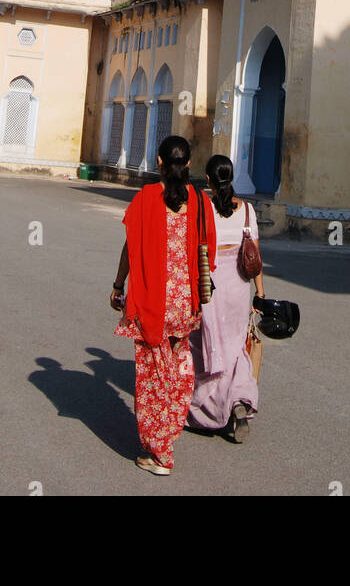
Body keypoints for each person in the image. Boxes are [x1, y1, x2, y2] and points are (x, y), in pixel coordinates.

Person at [111, 135, 216, 475]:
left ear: (158, 162)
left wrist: (118, 285)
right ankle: (170, 428)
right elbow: (209, 253)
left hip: (153, 301)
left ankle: (160, 453)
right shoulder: (199, 201)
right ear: (188, 164)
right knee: (177, 364)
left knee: (153, 375)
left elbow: (131, 247)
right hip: (185, 303)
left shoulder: (145, 198)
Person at [188, 154, 265, 443]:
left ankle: (207, 411)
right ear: (231, 177)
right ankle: (239, 400)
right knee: (236, 347)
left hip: (210, 287)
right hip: (239, 288)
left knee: (209, 348)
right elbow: (255, 256)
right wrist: (260, 293)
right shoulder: (247, 211)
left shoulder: (203, 209)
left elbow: (195, 250)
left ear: (208, 178)